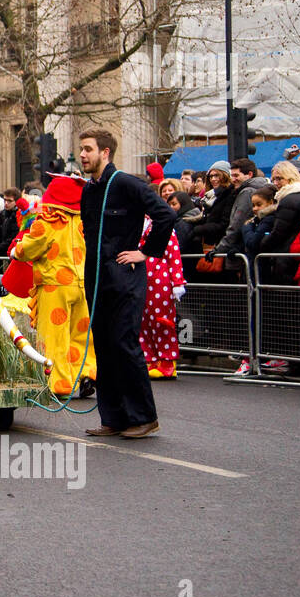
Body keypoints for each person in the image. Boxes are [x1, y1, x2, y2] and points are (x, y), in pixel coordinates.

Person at [77, 127, 175, 438]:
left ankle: (144, 417)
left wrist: (145, 253)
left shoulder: (127, 183)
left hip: (124, 279)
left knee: (124, 344)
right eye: (81, 149)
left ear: (105, 152)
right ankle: (114, 418)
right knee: (103, 346)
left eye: (88, 149)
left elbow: (165, 215)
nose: (82, 155)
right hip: (96, 277)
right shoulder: (89, 189)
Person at [7, 173, 96, 398]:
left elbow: (30, 248)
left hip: (55, 285)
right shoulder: (84, 221)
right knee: (80, 333)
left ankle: (60, 383)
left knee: (54, 336)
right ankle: (85, 374)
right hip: (82, 284)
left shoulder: (49, 221)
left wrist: (16, 250)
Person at [139, 212, 188, 380]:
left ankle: (167, 361)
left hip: (161, 280)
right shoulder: (137, 226)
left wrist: (177, 282)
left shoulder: (163, 227)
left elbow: (174, 255)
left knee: (162, 321)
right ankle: (150, 359)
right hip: (142, 279)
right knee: (144, 321)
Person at [210, 158, 268, 264]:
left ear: (249, 174)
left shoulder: (247, 192)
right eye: (232, 175)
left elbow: (237, 223)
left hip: (240, 253)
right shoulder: (259, 189)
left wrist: (219, 249)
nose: (233, 179)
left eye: (236, 175)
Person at [241, 184, 279, 258]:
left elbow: (253, 243)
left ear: (271, 202)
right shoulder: (258, 220)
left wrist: (247, 227)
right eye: (253, 205)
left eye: (259, 205)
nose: (254, 208)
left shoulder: (269, 220)